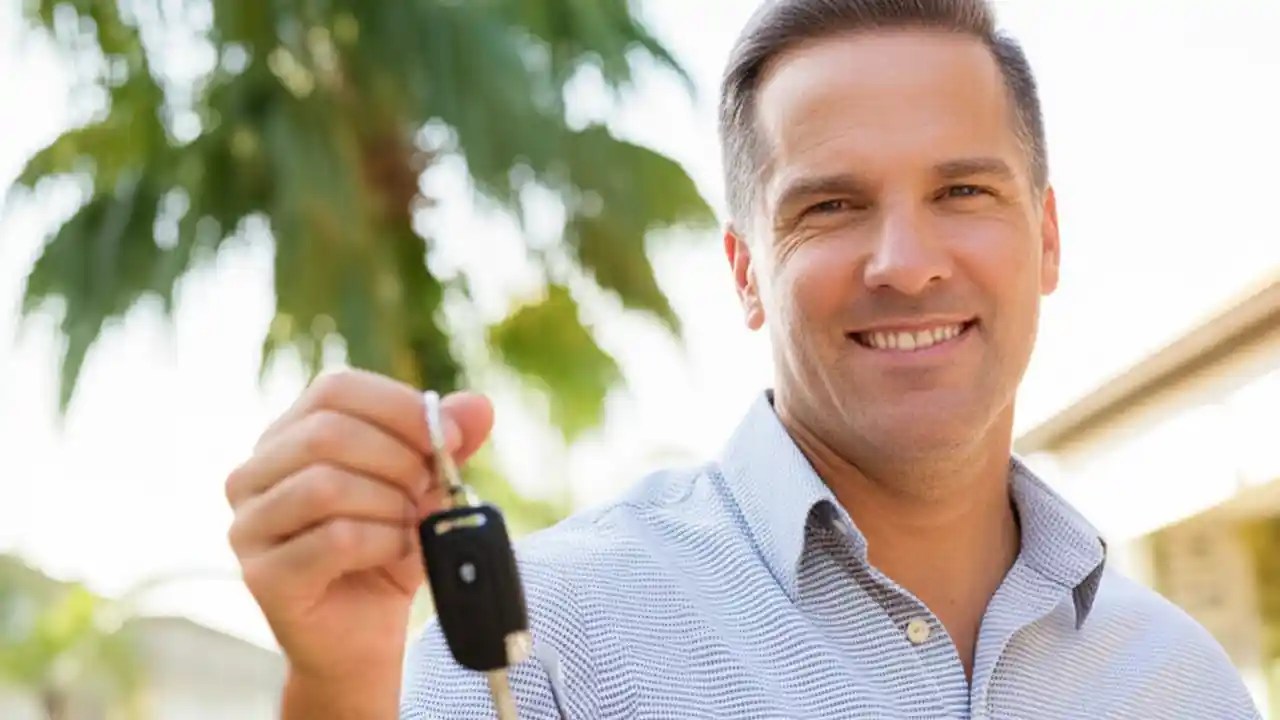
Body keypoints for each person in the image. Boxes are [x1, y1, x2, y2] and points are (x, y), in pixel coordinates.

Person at [224, 1, 1262, 718]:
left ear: (1045, 240)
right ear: (744, 271)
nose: (903, 264)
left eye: (961, 193)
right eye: (830, 206)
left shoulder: (1180, 683)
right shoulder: (542, 646)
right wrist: (337, 691)